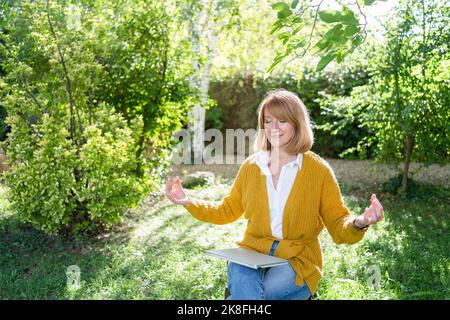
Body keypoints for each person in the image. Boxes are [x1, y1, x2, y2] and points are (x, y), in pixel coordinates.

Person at [165, 89, 383, 300]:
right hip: (252, 252)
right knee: (245, 283)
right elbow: (226, 211)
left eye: (282, 121)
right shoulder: (252, 167)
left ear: (297, 124)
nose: (273, 128)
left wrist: (360, 222)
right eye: (268, 121)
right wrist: (188, 201)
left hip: (298, 259)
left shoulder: (318, 170)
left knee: (252, 294)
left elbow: (338, 225)